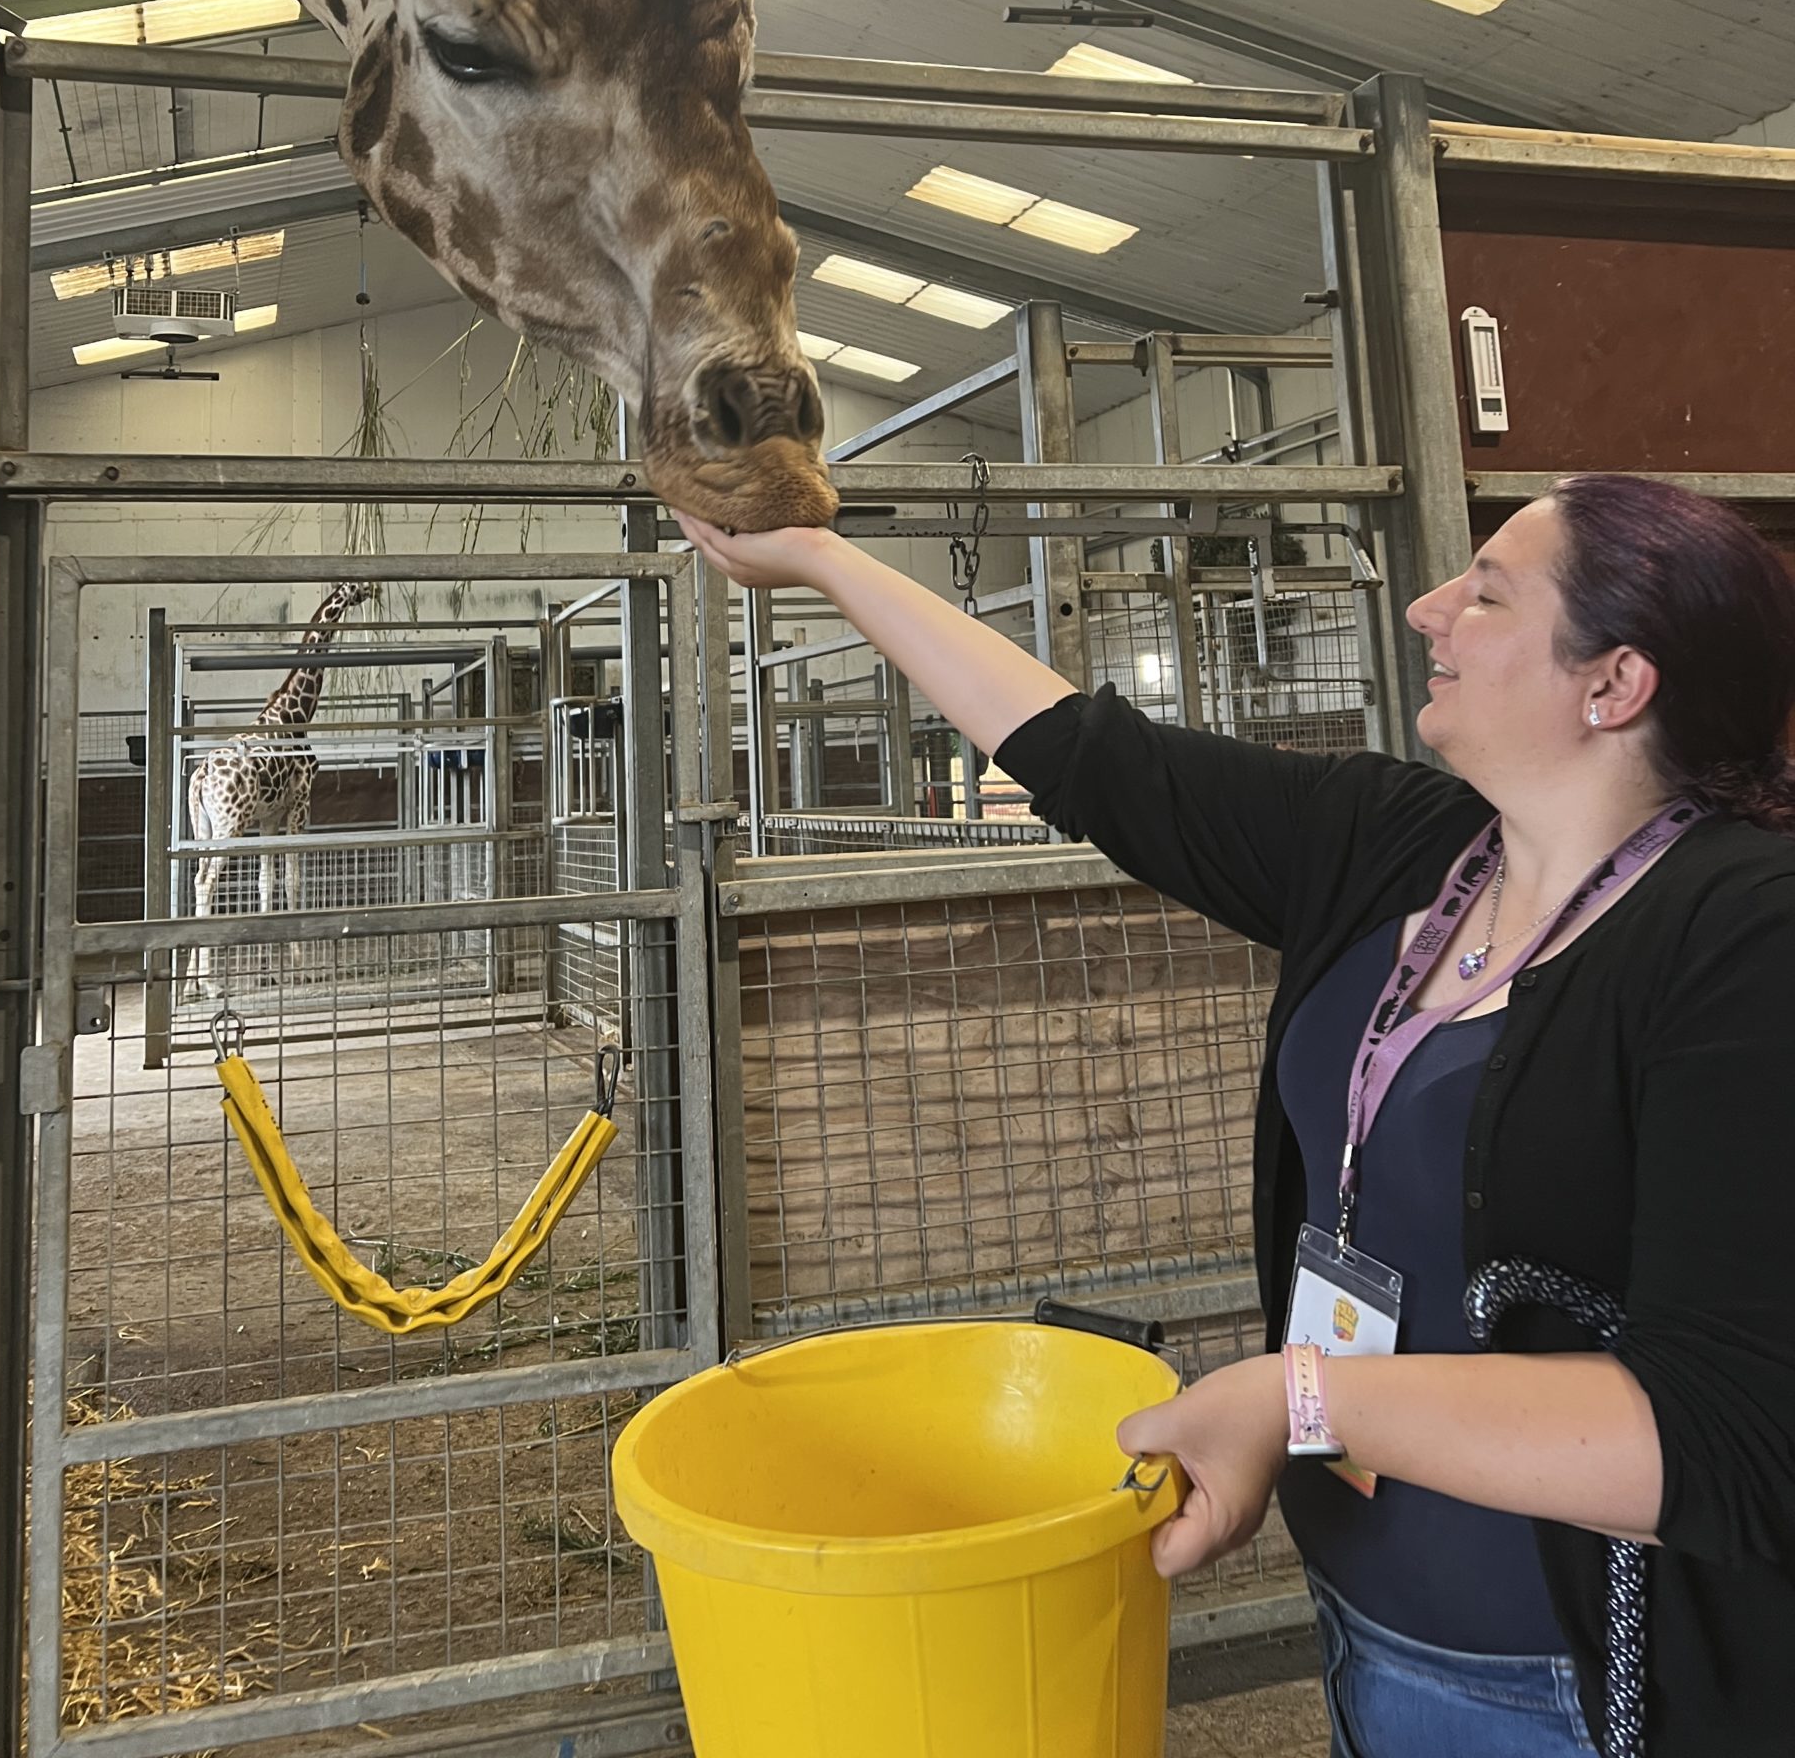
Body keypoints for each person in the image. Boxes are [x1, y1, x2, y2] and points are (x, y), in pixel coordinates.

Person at [679, 474, 1795, 1758]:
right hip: (1364, 1621)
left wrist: (1298, 1398)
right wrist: (828, 561)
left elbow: (1721, 1444)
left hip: (1592, 1691)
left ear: (1614, 683)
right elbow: (1092, 762)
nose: (1432, 609)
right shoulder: (1406, 842)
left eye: (1486, 593)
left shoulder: (1744, 935)